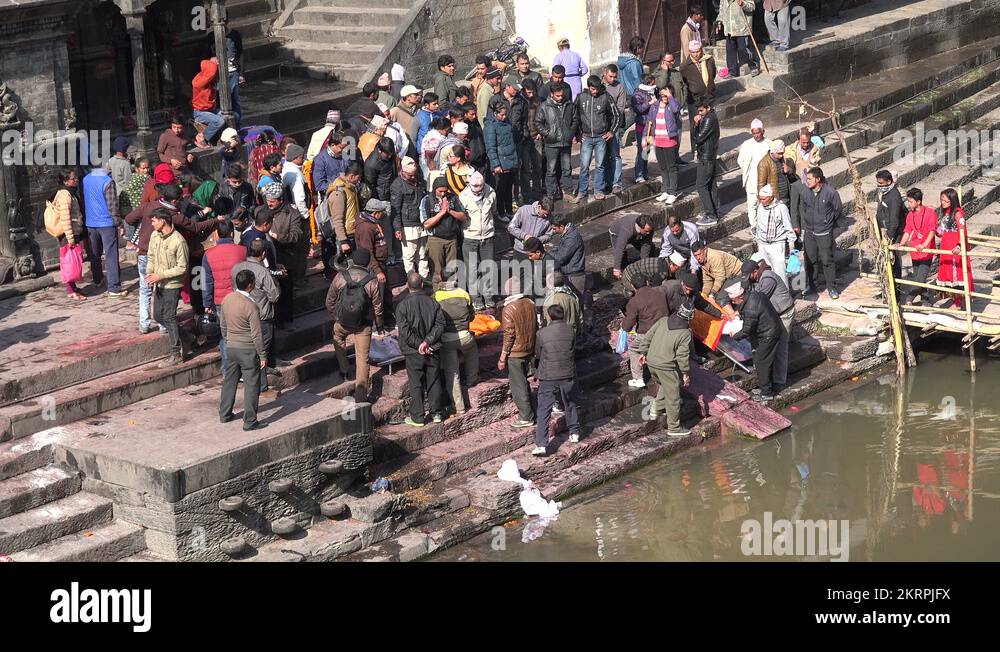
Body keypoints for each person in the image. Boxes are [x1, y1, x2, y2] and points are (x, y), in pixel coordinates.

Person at [325, 248, 384, 402]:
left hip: (342, 321)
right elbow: (378, 307)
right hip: (363, 325)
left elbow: (329, 301)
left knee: (337, 337)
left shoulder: (341, 276)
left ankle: (344, 370)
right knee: (362, 359)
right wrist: (380, 327)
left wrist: (336, 315)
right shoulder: (372, 281)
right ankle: (361, 396)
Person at [396, 272, 447, 427]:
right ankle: (436, 412)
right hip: (431, 348)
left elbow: (405, 332)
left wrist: (420, 344)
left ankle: (418, 417)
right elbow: (440, 325)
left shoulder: (402, 306)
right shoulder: (433, 303)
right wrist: (427, 342)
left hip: (414, 351)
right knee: (434, 380)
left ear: (407, 285)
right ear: (422, 285)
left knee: (416, 383)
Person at [219, 269, 267, 431]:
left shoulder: (227, 299)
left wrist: (228, 340)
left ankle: (224, 414)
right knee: (252, 384)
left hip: (231, 347)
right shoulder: (251, 306)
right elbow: (257, 334)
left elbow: (223, 325)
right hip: (247, 349)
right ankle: (250, 421)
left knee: (229, 381)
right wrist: (262, 355)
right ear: (250, 285)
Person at [633, 310, 693, 437]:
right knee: (673, 397)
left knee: (665, 385)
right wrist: (685, 372)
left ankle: (656, 409)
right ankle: (674, 428)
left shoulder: (663, 320)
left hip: (652, 362)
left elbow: (648, 336)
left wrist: (643, 352)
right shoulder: (685, 332)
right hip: (666, 366)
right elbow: (683, 355)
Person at [232, 239, 282, 390]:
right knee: (261, 352)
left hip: (241, 316)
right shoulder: (262, 272)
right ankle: (260, 384)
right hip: (262, 317)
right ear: (264, 254)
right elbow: (274, 295)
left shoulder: (236, 268)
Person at [532, 304, 581, 455]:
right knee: (571, 402)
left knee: (543, 409)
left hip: (548, 376)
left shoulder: (541, 333)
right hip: (567, 372)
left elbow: (538, 355)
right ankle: (574, 433)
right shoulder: (571, 330)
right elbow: (573, 350)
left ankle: (541, 444)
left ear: (549, 316)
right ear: (563, 315)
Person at [146, 209, 191, 366]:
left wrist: (161, 275)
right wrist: (150, 274)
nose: (152, 224)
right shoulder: (154, 236)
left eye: (154, 220)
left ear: (162, 221)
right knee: (158, 316)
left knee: (169, 317)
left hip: (172, 284)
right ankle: (188, 337)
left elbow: (182, 267)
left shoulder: (178, 241)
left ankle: (176, 353)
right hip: (158, 283)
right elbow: (151, 256)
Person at [743, 257, 794, 393]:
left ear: (755, 272)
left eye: (749, 276)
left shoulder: (767, 279)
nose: (748, 279)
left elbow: (757, 301)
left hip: (784, 315)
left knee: (781, 349)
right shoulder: (757, 280)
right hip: (773, 316)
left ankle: (779, 381)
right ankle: (769, 378)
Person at [729, 281, 784, 402]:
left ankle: (766, 393)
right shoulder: (754, 295)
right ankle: (767, 388)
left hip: (768, 334)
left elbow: (747, 330)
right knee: (763, 361)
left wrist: (734, 336)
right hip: (769, 329)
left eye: (734, 300)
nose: (733, 303)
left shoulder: (750, 308)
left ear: (741, 297)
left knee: (761, 362)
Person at [434, 267, 479, 415]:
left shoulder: (437, 296)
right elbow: (472, 316)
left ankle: (459, 407)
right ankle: (472, 379)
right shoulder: (464, 293)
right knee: (472, 353)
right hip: (466, 336)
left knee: (452, 373)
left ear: (441, 279)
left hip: (447, 339)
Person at [570, 75, 619, 203]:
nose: (595, 91)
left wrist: (611, 131)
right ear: (588, 87)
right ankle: (582, 191)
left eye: (597, 89)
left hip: (600, 137)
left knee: (599, 165)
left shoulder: (606, 97)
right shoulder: (581, 97)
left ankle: (598, 190)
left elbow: (616, 115)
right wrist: (577, 133)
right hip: (586, 137)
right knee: (584, 166)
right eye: (592, 89)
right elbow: (574, 116)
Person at [82, 165, 126, 298]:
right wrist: (119, 223)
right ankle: (114, 287)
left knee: (95, 253)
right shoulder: (107, 181)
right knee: (111, 255)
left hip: (91, 221)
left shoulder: (85, 179)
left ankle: (97, 279)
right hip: (106, 222)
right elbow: (112, 205)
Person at [799, 166, 842, 299]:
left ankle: (832, 288)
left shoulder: (830, 192)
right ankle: (812, 286)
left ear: (818, 179)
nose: (807, 181)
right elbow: (803, 208)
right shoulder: (806, 192)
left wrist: (827, 222)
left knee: (826, 260)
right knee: (810, 260)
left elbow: (838, 209)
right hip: (809, 232)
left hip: (824, 233)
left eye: (810, 179)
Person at [500, 277, 537, 429]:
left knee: (518, 384)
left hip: (515, 352)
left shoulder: (508, 309)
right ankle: (531, 411)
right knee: (524, 382)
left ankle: (526, 416)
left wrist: (503, 355)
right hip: (530, 347)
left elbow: (509, 335)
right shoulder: (530, 303)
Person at [623, 272, 670, 389]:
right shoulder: (660, 292)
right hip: (666, 328)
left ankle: (638, 378)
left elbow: (627, 326)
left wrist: (623, 327)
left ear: (633, 286)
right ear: (647, 282)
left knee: (634, 348)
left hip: (647, 334)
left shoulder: (634, 301)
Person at [459, 171, 498, 309]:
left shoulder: (491, 193)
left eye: (480, 188)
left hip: (487, 236)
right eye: (475, 189)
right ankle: (476, 298)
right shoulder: (463, 196)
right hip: (470, 237)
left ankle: (488, 296)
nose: (477, 191)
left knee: (488, 267)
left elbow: (494, 211)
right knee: (472, 269)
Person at [534, 82, 579, 201]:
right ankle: (551, 193)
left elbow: (575, 120)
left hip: (565, 142)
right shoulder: (544, 106)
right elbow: (538, 122)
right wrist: (548, 134)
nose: (560, 98)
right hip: (551, 143)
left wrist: (570, 132)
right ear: (552, 94)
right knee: (551, 170)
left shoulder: (569, 105)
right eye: (557, 96)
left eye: (561, 95)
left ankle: (568, 191)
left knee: (567, 169)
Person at [354, 199, 394, 323]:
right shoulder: (366, 228)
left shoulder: (373, 222)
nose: (383, 214)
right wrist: (378, 271)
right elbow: (368, 252)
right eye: (382, 212)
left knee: (385, 294)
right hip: (374, 267)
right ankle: (379, 324)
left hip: (381, 263)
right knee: (378, 297)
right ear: (375, 213)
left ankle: (388, 320)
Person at [202, 219, 247, 326]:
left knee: (225, 332)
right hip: (240, 298)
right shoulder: (243, 251)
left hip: (220, 301)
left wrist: (207, 303)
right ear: (232, 233)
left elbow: (206, 282)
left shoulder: (208, 254)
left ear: (217, 234)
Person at [422, 176, 466, 284]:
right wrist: (442, 212)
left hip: (452, 239)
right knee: (437, 272)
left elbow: (463, 217)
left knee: (452, 271)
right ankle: (438, 294)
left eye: (445, 191)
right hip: (435, 239)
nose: (443, 194)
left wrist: (449, 211)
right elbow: (426, 224)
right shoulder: (427, 200)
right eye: (440, 191)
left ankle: (453, 294)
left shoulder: (453, 198)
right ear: (434, 188)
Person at [643, 85, 682, 204]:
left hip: (669, 141)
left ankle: (673, 191)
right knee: (663, 167)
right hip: (658, 141)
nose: (665, 97)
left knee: (671, 167)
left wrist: (670, 96)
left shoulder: (672, 105)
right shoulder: (654, 106)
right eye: (663, 95)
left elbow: (676, 109)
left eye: (667, 95)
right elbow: (649, 122)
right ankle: (665, 190)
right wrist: (646, 138)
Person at [391, 156, 429, 279]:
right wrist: (397, 228)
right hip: (407, 225)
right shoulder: (397, 185)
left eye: (414, 174)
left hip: (422, 223)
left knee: (423, 254)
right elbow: (395, 209)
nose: (413, 177)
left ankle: (424, 279)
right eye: (410, 175)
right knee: (409, 256)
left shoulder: (419, 180)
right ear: (403, 172)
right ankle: (412, 280)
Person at [899, 187, 937, 305]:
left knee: (920, 278)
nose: (909, 204)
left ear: (918, 202)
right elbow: (907, 231)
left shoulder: (930, 213)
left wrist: (925, 244)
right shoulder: (910, 215)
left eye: (911, 201)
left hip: (926, 252)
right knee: (918, 278)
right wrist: (901, 244)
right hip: (914, 251)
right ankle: (926, 299)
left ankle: (909, 298)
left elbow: (932, 230)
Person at [937, 187, 974, 308]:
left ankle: (958, 302)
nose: (943, 203)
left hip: (955, 245)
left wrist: (959, 245)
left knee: (957, 273)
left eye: (945, 201)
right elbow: (943, 230)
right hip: (945, 245)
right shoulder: (944, 213)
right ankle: (953, 299)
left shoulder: (958, 213)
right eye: (942, 200)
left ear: (952, 201)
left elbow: (962, 231)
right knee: (948, 272)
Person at [752, 184, 796, 286]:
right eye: (760, 199)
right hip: (763, 243)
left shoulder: (781, 208)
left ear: (771, 198)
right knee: (766, 271)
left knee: (780, 272)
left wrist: (791, 245)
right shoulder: (760, 207)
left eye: (763, 199)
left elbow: (788, 227)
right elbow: (758, 225)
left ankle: (784, 296)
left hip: (776, 244)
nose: (761, 201)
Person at [678, 43, 716, 161]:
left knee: (710, 123)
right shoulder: (685, 66)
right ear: (689, 52)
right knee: (696, 125)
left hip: (708, 97)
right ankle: (696, 150)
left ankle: (711, 149)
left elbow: (713, 75)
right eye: (693, 52)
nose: (696, 54)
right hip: (694, 101)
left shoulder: (709, 60)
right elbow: (684, 83)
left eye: (698, 51)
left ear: (701, 50)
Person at [484, 101, 519, 217]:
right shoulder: (490, 126)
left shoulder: (507, 123)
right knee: (500, 189)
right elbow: (491, 147)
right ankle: (501, 212)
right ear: (495, 113)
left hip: (510, 161)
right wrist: (496, 165)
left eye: (505, 114)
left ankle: (509, 210)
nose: (504, 117)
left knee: (509, 187)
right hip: (500, 162)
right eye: (501, 115)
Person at [692, 101, 721, 226]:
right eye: (698, 111)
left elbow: (698, 138)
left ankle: (710, 214)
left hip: (706, 158)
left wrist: (696, 124)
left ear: (708, 108)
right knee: (710, 185)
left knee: (701, 186)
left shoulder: (709, 120)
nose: (700, 113)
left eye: (701, 111)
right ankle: (713, 211)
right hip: (709, 157)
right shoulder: (711, 117)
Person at [327, 162, 363, 261]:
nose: (359, 181)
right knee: (346, 267)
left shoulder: (350, 188)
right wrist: (343, 241)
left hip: (352, 233)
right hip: (346, 236)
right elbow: (337, 220)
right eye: (358, 178)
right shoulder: (339, 193)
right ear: (351, 176)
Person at [602, 64, 629, 194]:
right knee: (604, 156)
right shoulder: (599, 86)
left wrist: (613, 128)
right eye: (610, 76)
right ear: (605, 73)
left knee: (615, 155)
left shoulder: (620, 87)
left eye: (614, 77)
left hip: (614, 126)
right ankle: (606, 182)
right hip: (600, 126)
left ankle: (616, 183)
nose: (612, 79)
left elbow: (620, 109)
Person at [875, 169, 906, 280]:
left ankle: (895, 292)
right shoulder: (885, 193)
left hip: (892, 235)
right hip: (884, 234)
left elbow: (894, 220)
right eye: (878, 183)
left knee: (894, 263)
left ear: (889, 182)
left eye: (881, 183)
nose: (879, 185)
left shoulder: (894, 196)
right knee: (885, 263)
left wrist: (888, 235)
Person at [549, 214, 586, 302]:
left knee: (576, 303)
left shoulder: (572, 238)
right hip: (569, 274)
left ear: (561, 226)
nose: (552, 231)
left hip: (574, 276)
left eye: (554, 228)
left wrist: (549, 253)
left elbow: (561, 258)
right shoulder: (566, 234)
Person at [719, 0, 760, 77]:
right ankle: (732, 72)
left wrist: (743, 4)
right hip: (729, 29)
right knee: (730, 50)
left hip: (742, 28)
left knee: (743, 49)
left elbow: (752, 7)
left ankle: (753, 66)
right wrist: (719, 20)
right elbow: (722, 10)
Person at [738, 119, 771, 217]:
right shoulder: (746, 144)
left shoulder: (769, 144)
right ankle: (753, 226)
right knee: (752, 205)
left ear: (763, 131)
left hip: (766, 180)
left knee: (765, 203)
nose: (756, 135)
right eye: (754, 133)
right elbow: (740, 160)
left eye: (758, 133)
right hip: (751, 180)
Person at [520, 79, 545, 201]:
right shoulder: (521, 101)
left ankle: (537, 189)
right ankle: (526, 194)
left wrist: (541, 132)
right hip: (524, 139)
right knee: (525, 168)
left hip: (536, 137)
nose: (531, 95)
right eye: (529, 92)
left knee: (537, 165)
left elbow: (542, 117)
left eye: (533, 92)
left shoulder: (538, 101)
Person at [192, 56, 226, 146]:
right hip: (200, 113)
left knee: (232, 115)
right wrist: (214, 64)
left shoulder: (213, 80)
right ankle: (201, 137)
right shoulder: (199, 82)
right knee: (219, 121)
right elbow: (210, 72)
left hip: (211, 110)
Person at [610, 214, 655, 279]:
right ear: (640, 227)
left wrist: (645, 265)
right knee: (623, 259)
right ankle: (626, 277)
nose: (648, 233)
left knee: (651, 248)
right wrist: (616, 269)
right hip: (617, 234)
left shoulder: (649, 228)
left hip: (636, 235)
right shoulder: (627, 230)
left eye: (649, 231)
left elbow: (646, 245)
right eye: (646, 231)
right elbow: (620, 249)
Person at [631, 75, 657, 185]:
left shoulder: (653, 92)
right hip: (642, 125)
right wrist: (649, 103)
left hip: (651, 125)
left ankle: (645, 172)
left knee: (647, 150)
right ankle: (639, 174)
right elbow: (638, 109)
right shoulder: (637, 95)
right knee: (642, 149)